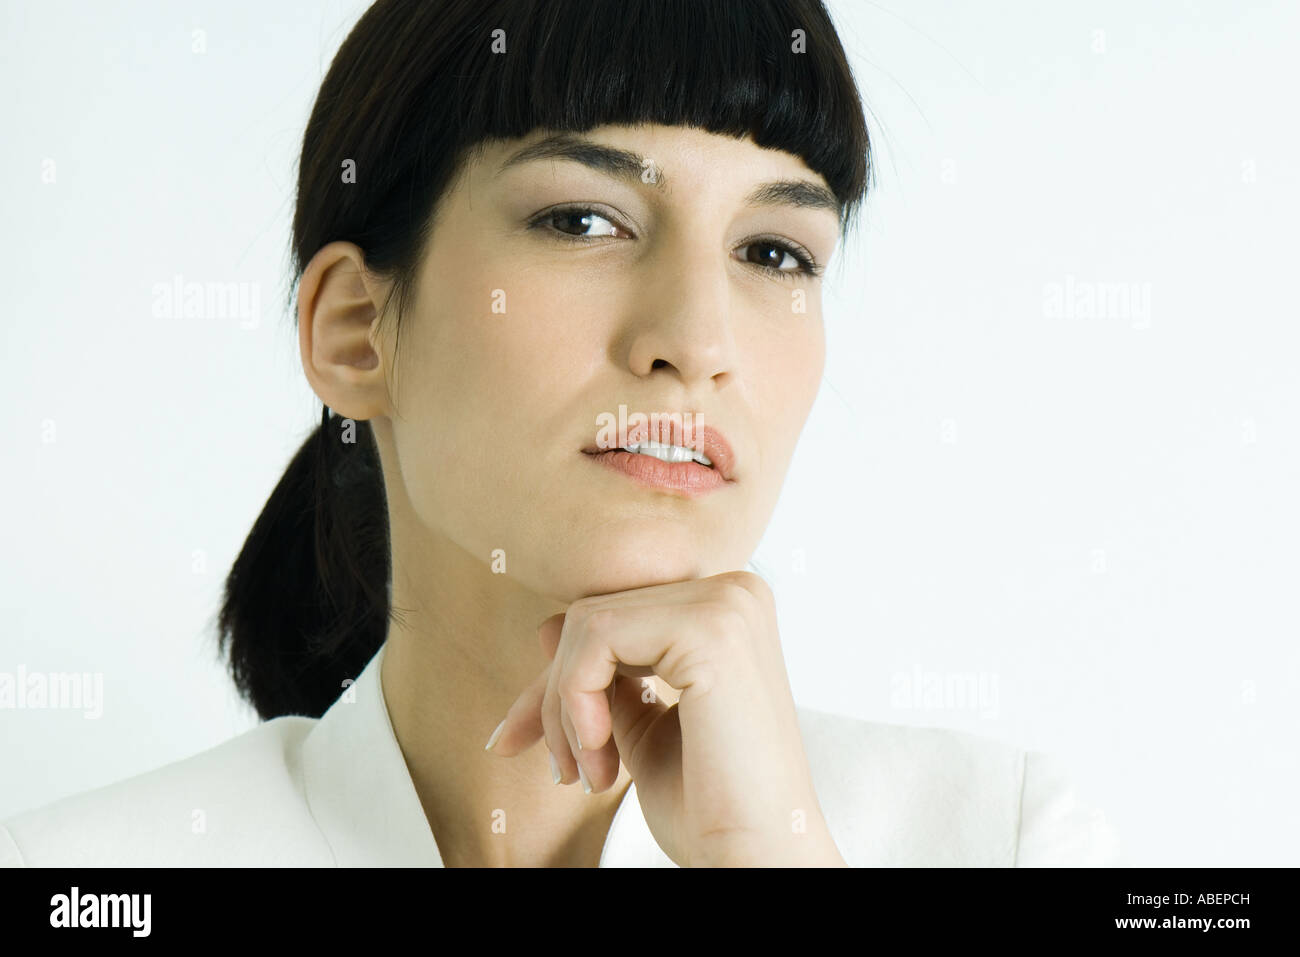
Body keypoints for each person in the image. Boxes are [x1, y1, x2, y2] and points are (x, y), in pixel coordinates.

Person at [1, 0, 1122, 867]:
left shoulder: (996, 838)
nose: (697, 336)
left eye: (774, 250)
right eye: (582, 219)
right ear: (354, 332)